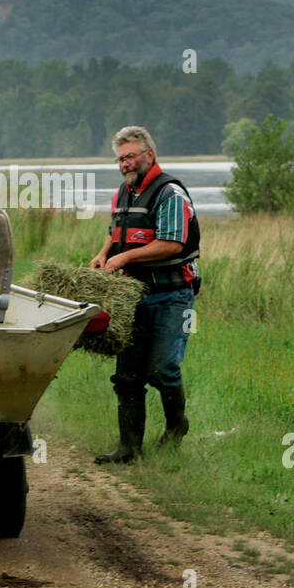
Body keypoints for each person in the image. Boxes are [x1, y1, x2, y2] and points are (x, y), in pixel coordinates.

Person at [89, 126, 200, 463]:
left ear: (149, 155)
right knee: (127, 374)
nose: (125, 163)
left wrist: (124, 258)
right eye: (120, 158)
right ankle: (128, 449)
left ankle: (176, 427)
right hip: (132, 295)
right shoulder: (122, 193)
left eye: (130, 156)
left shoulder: (169, 194)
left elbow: (172, 243)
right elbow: (116, 232)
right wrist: (104, 254)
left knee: (162, 369)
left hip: (173, 294)